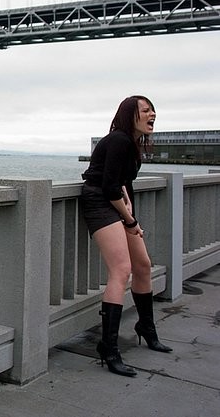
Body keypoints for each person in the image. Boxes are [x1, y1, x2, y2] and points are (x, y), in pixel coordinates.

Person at [80, 95, 172, 377]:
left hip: (117, 203)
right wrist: (129, 220)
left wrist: (132, 219)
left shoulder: (130, 143)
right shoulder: (119, 140)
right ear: (129, 114)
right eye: (145, 110)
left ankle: (146, 327)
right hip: (99, 201)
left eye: (153, 110)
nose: (152, 114)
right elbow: (108, 186)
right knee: (121, 270)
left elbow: (123, 183)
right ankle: (108, 348)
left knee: (143, 265)